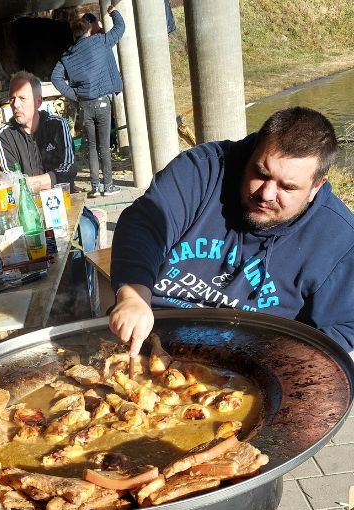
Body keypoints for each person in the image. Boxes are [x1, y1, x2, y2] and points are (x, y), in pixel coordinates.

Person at [108, 106, 354, 355]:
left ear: (316, 186)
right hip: (152, 331)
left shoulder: (337, 239)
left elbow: (345, 327)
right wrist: (133, 296)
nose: (266, 194)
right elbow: (144, 224)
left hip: (254, 358)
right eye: (260, 173)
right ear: (252, 154)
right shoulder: (202, 170)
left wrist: (284, 360)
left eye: (287, 187)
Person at [51, 4, 125, 197]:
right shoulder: (100, 42)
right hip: (102, 103)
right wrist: (113, 12)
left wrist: (73, 94)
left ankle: (94, 186)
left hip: (84, 105)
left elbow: (55, 77)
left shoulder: (67, 55)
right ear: (88, 29)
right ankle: (108, 186)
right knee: (103, 146)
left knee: (91, 146)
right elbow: (120, 28)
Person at [0, 71, 78, 193]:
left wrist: (26, 183)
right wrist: (53, 179)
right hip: (27, 204)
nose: (15, 104)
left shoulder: (57, 125)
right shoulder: (3, 134)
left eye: (22, 98)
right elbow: (11, 181)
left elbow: (69, 169)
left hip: (61, 199)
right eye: (12, 99)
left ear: (38, 102)